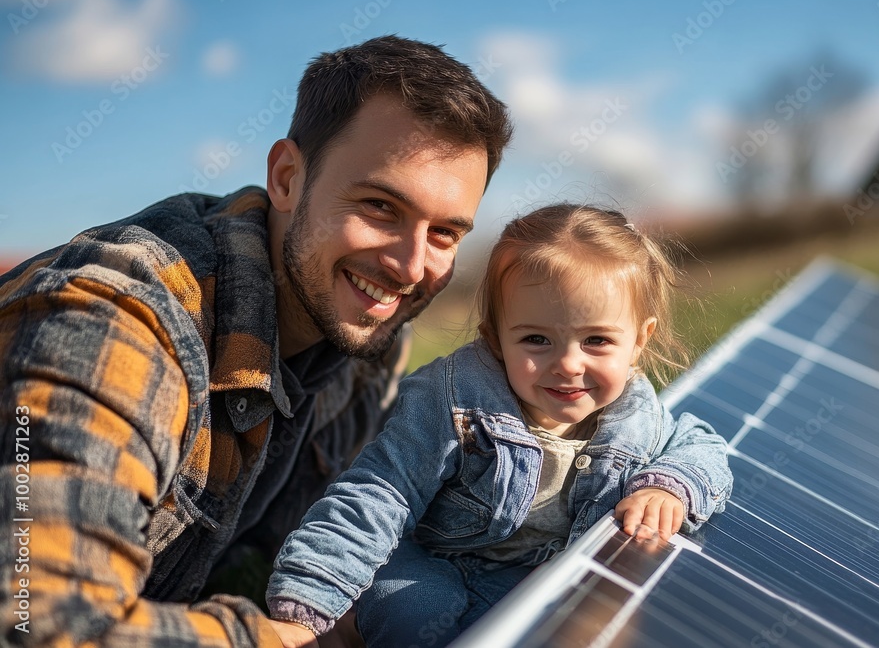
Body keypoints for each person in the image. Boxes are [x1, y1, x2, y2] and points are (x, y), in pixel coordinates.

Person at [0, 35, 512, 647]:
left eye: (445, 233)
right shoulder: (118, 320)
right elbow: (40, 626)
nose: (409, 266)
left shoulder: (370, 338)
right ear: (287, 177)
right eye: (380, 207)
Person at [266, 204, 734, 647]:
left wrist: (669, 487)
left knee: (562, 627)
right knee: (410, 615)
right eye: (536, 339)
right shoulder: (453, 400)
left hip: (531, 570)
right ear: (495, 338)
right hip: (431, 559)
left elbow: (704, 446)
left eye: (596, 340)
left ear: (638, 341)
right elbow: (381, 493)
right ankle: (351, 626)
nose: (568, 365)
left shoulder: (636, 416)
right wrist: (305, 603)